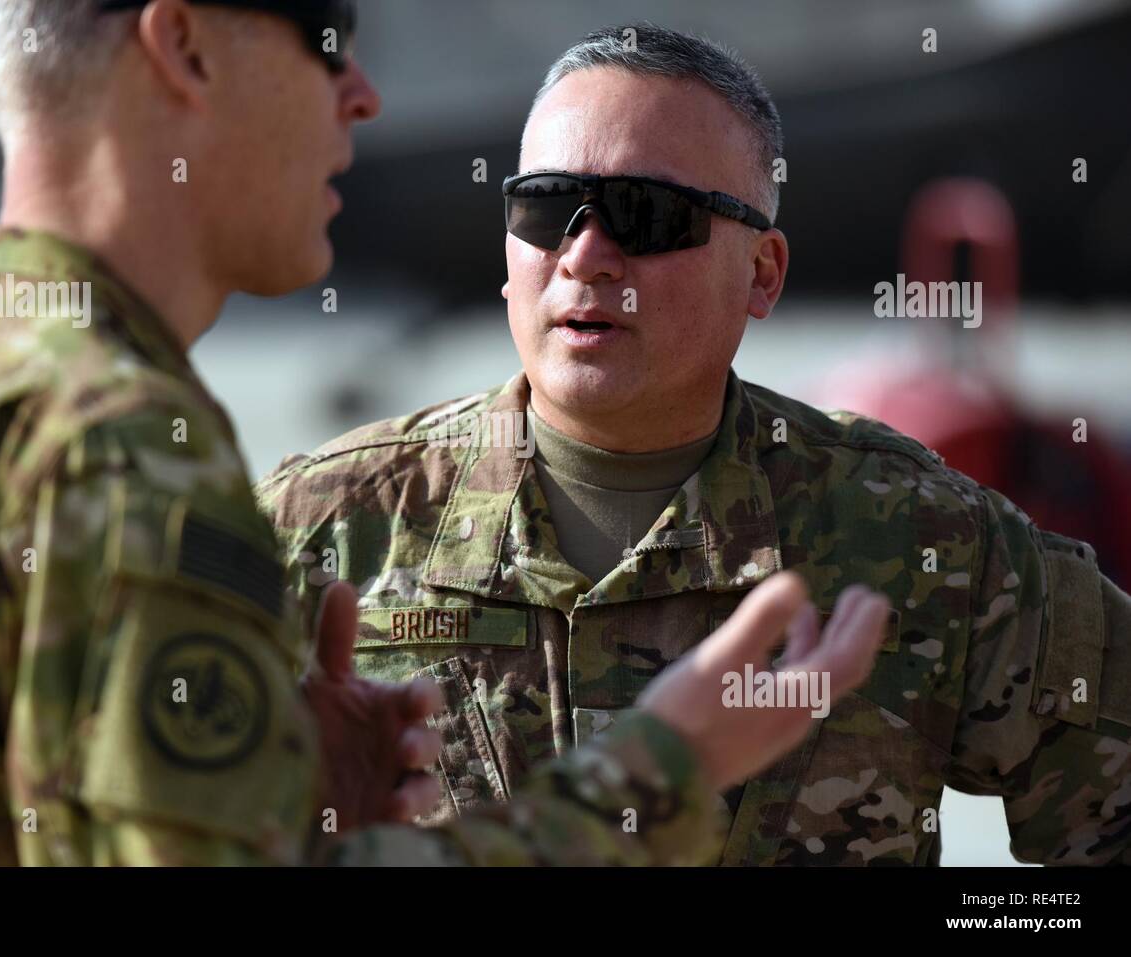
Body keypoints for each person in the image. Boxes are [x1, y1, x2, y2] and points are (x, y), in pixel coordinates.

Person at [0, 1, 887, 866]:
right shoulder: (119, 441)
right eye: (324, 34)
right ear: (184, 47)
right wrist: (664, 766)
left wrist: (289, 812)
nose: (363, 94)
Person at [258, 23, 1131, 865]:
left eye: (646, 216)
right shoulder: (320, 531)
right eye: (547, 209)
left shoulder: (919, 537)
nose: (586, 255)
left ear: (762, 275)